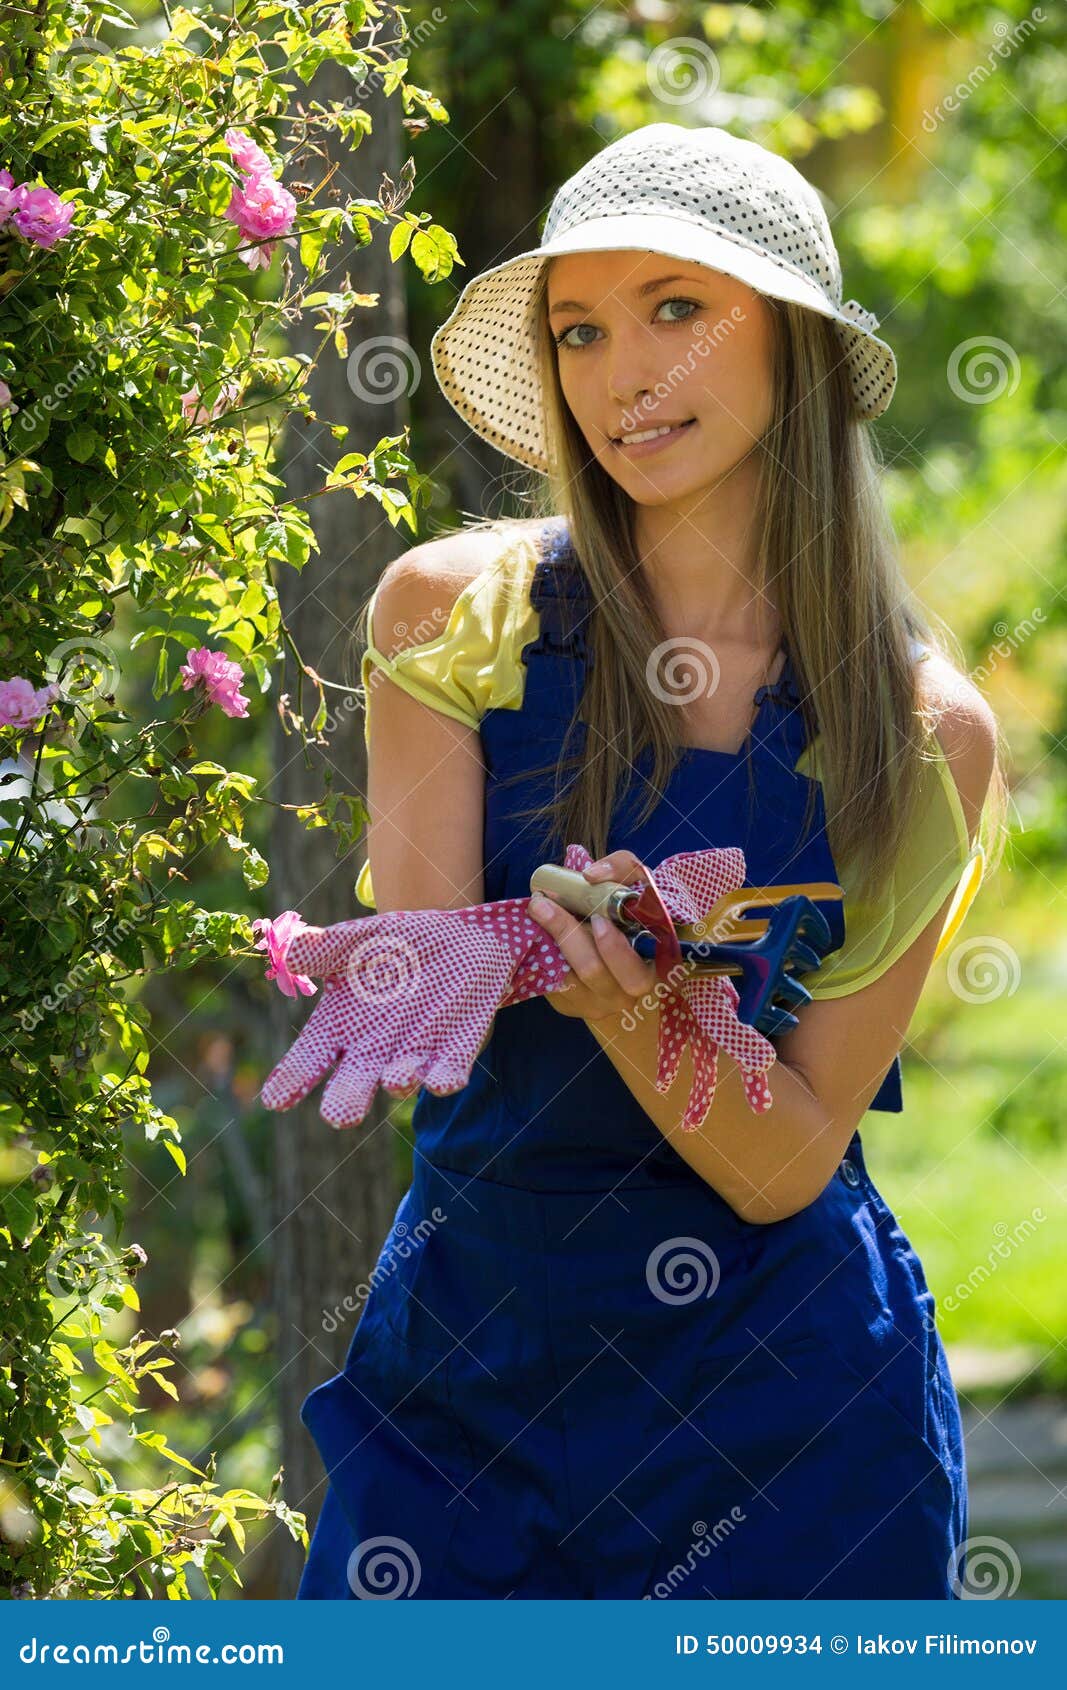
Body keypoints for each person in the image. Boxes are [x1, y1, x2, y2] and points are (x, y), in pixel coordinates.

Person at [295, 122, 1006, 1601]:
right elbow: (430, 988)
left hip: (792, 1432)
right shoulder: (450, 615)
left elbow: (786, 1162)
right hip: (471, 1388)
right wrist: (475, 952)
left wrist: (642, 1005)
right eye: (582, 330)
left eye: (679, 308)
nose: (627, 373)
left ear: (793, 342)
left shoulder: (921, 732)